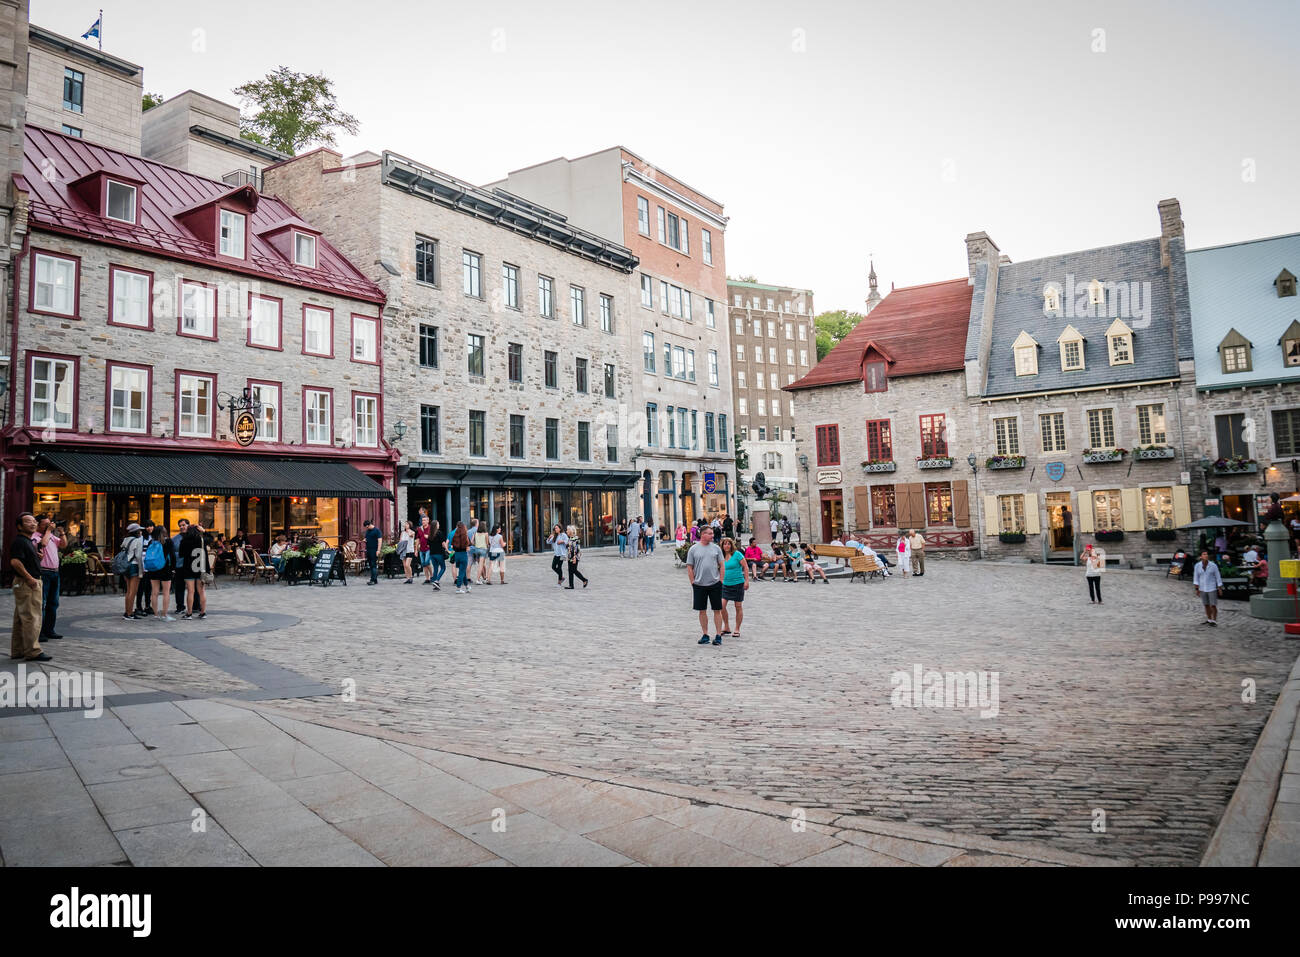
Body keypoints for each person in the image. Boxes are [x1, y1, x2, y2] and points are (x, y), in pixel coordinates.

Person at [10, 512, 51, 662]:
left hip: (25, 582)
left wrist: (36, 557)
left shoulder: (26, 541)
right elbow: (15, 562)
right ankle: (33, 650)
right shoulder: (20, 541)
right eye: (28, 522)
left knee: (21, 618)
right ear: (19, 526)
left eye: (34, 521)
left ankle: (18, 649)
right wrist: (30, 578)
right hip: (28, 583)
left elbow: (22, 560)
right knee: (32, 617)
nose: (33, 524)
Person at [685, 525, 725, 645]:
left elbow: (722, 565)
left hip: (715, 583)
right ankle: (705, 634)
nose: (712, 535)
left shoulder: (716, 548)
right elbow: (689, 567)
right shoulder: (693, 549)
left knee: (717, 609)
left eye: (712, 533)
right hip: (699, 584)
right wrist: (693, 582)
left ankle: (718, 635)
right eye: (710, 533)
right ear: (702, 535)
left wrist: (721, 580)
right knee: (702, 610)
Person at [33, 516, 65, 642]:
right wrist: (48, 531)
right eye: (45, 524)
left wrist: (61, 532)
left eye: (49, 524)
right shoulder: (35, 536)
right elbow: (43, 544)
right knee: (41, 604)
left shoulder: (50, 535)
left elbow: (63, 544)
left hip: (55, 573)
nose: (49, 526)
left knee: (53, 603)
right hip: (44, 572)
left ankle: (49, 630)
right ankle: (39, 632)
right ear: (38, 525)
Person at [719, 537, 751, 638]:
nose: (726, 546)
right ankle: (727, 626)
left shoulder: (737, 554)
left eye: (728, 544)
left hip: (737, 583)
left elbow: (745, 567)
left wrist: (746, 581)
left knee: (738, 606)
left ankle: (737, 628)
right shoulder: (721, 556)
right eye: (725, 544)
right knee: (721, 606)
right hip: (725, 584)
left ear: (731, 545)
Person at [178, 522, 208, 620]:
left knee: (190, 591)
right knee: (201, 591)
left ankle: (189, 613)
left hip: (188, 568)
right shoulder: (202, 540)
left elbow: (181, 554)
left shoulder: (184, 540)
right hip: (200, 568)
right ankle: (203, 612)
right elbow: (211, 539)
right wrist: (204, 530)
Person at [147, 526, 177, 622]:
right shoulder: (168, 542)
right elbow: (172, 556)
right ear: (164, 532)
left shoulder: (151, 542)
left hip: (153, 568)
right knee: (166, 592)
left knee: (154, 592)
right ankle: (164, 615)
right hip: (165, 569)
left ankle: (155, 615)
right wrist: (173, 568)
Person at [119, 522, 145, 621]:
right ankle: (129, 614)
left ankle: (127, 612)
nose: (141, 532)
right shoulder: (138, 541)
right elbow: (138, 556)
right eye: (139, 530)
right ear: (136, 532)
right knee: (133, 592)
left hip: (126, 566)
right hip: (134, 566)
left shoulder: (125, 540)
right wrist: (141, 570)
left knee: (128, 591)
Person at [1192, 550, 1224, 626]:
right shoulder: (1197, 566)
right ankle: (1209, 619)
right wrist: (1197, 589)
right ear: (1201, 556)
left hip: (1212, 587)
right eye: (1204, 554)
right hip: (1202, 588)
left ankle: (1214, 620)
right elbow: (1196, 577)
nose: (1206, 555)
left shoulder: (1213, 565)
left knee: (1213, 605)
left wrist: (1219, 588)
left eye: (1207, 554)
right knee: (1206, 604)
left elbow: (1218, 577)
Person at [135, 520, 156, 617]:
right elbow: (140, 554)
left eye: (151, 526)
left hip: (151, 566)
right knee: (141, 587)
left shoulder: (155, 537)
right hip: (143, 566)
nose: (149, 528)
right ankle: (139, 607)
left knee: (149, 587)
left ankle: (148, 606)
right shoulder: (141, 538)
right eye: (147, 526)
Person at [171, 519, 189, 614]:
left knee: (193, 587)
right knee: (179, 587)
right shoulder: (174, 539)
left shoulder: (193, 536)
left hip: (191, 566)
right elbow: (172, 553)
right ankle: (180, 606)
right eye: (180, 525)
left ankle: (195, 605)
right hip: (179, 566)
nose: (182, 527)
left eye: (183, 525)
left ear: (188, 525)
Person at [451, 521, 471, 593]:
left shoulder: (455, 536)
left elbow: (452, 546)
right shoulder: (465, 536)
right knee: (461, 572)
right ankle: (458, 588)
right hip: (463, 555)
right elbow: (469, 546)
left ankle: (467, 586)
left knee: (462, 571)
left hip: (457, 555)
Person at [428, 521, 447, 590]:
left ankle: (435, 584)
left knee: (435, 568)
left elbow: (428, 545)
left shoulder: (430, 534)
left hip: (432, 554)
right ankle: (437, 580)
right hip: (439, 553)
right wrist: (447, 550)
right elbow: (443, 543)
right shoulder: (439, 533)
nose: (439, 525)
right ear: (436, 525)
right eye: (438, 524)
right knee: (443, 568)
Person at [469, 518, 489, 584]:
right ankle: (478, 579)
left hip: (476, 550)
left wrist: (476, 544)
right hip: (483, 550)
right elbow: (487, 543)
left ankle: (484, 578)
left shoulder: (475, 533)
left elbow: (471, 542)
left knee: (481, 564)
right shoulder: (486, 534)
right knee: (481, 565)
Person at [363, 519, 381, 585]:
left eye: (367, 527)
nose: (367, 528)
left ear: (369, 525)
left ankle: (372, 580)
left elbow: (380, 541)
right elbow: (366, 538)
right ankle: (375, 579)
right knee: (371, 565)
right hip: (368, 549)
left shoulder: (377, 531)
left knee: (373, 565)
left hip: (374, 550)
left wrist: (378, 550)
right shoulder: (368, 531)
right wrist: (365, 540)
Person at [416, 516, 433, 584]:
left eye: (425, 520)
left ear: (428, 521)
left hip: (428, 548)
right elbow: (417, 539)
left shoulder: (431, 528)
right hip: (421, 549)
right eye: (422, 520)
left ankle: (432, 576)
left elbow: (434, 537)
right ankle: (427, 578)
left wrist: (428, 537)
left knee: (427, 562)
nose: (423, 521)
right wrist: (416, 550)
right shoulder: (419, 529)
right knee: (423, 564)